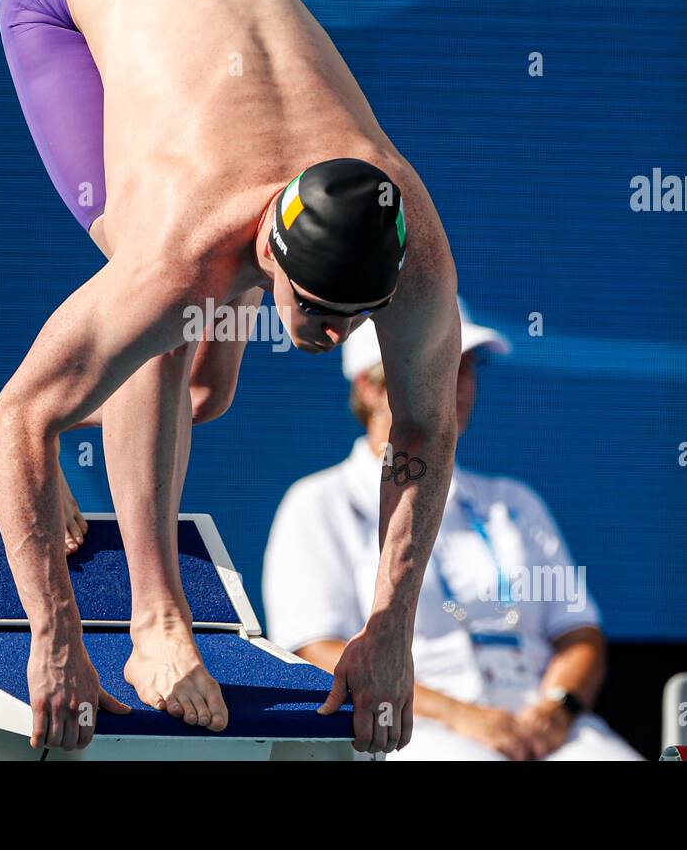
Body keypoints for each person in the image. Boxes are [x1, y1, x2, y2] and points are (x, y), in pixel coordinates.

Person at [0, 0, 461, 754]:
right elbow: (9, 419)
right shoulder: (186, 246)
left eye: (356, 314)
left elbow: (424, 429)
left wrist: (392, 631)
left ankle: (80, 401)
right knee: (157, 338)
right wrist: (55, 639)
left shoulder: (414, 245)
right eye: (316, 307)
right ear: (268, 248)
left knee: (207, 394)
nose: (332, 334)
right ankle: (154, 619)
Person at [263, 303, 642, 760]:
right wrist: (465, 717)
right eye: (439, 364)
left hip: (549, 735)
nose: (457, 383)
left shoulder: (514, 501)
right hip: (413, 731)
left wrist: (556, 711)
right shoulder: (320, 502)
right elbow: (313, 649)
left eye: (466, 367)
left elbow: (579, 632)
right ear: (369, 386)